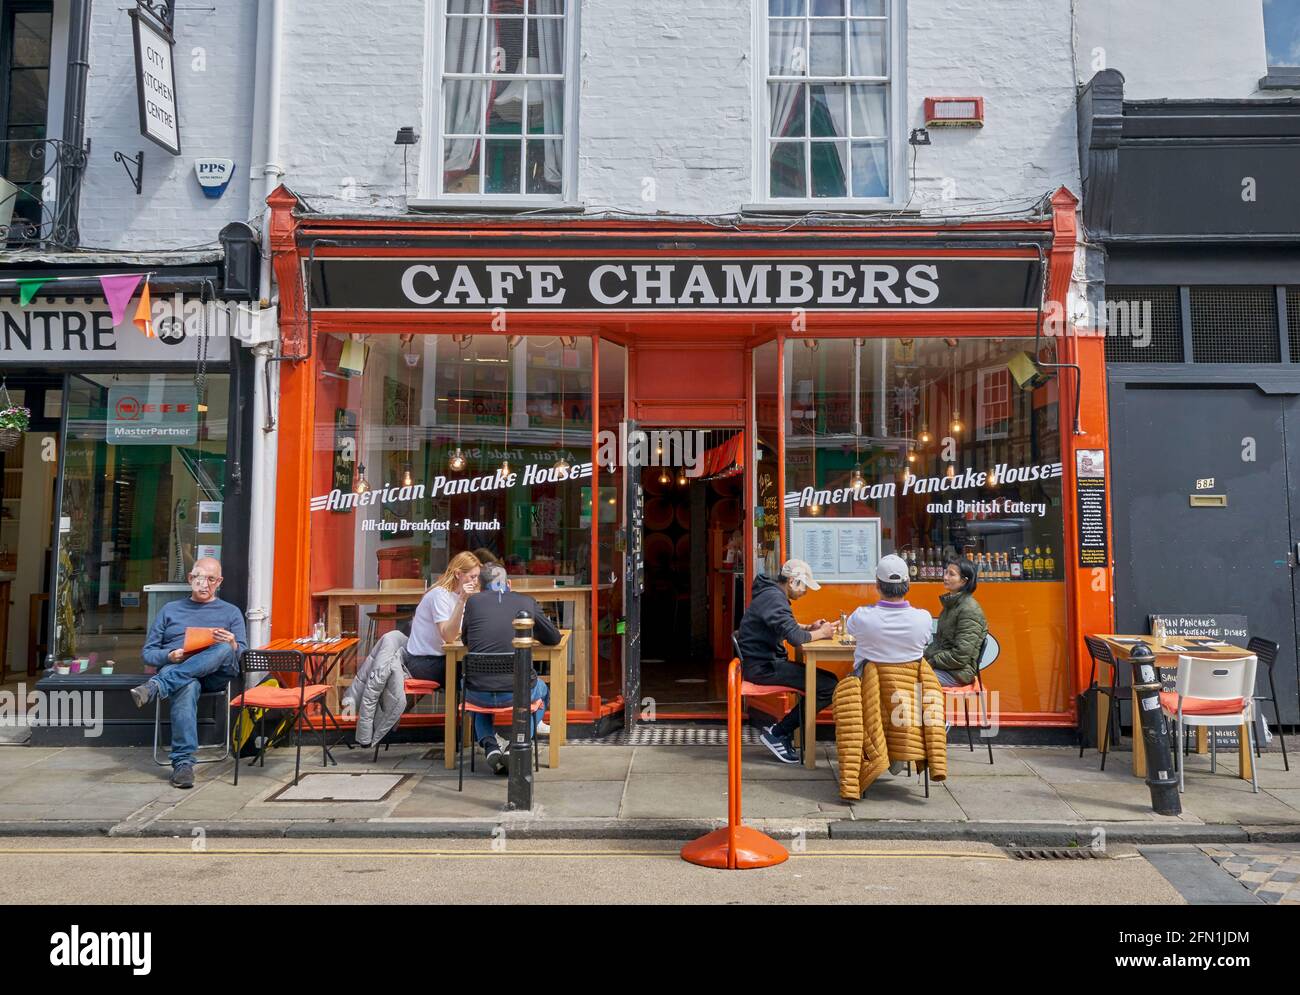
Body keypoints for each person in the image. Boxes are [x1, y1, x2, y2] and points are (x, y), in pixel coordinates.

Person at [130, 557, 247, 789]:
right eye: (200, 578)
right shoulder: (169, 610)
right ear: (190, 579)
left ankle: (157, 686)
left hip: (216, 674)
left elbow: (242, 656)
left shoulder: (231, 612)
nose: (205, 584)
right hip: (181, 669)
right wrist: (170, 655)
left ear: (219, 581)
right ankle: (183, 764)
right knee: (187, 684)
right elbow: (148, 653)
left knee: (223, 648)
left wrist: (234, 645)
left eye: (211, 579)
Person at [461, 562, 561, 775]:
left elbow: (465, 639)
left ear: (480, 585)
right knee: (542, 691)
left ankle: (490, 746)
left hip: (478, 693)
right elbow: (553, 638)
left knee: (471, 688)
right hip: (517, 692)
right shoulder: (525, 601)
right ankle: (516, 744)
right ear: (508, 583)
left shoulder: (473, 603)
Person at [736, 559, 835, 765]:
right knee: (828, 686)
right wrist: (822, 633)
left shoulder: (771, 595)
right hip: (763, 668)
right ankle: (778, 733)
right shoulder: (774, 599)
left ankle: (783, 732)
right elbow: (795, 639)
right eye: (804, 586)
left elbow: (786, 627)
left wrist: (810, 628)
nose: (806, 591)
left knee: (828, 681)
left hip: (764, 662)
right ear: (792, 581)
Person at [845, 553, 934, 774]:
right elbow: (927, 642)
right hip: (909, 695)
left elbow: (849, 630)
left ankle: (878, 752)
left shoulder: (862, 616)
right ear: (908, 584)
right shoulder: (924, 618)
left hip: (867, 694)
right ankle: (898, 749)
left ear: (877, 585)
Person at [404, 551, 481, 686]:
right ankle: (464, 706)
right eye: (472, 577)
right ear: (458, 574)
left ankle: (468, 706)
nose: (476, 582)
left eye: (477, 577)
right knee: (475, 672)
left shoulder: (460, 595)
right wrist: (462, 600)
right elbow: (448, 636)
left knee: (481, 667)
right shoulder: (439, 595)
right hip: (424, 662)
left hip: (443, 657)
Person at [925, 557, 988, 688]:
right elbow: (940, 644)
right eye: (946, 572)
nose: (945, 577)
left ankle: (924, 709)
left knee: (912, 678)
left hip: (957, 673)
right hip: (947, 667)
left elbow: (960, 656)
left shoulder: (969, 610)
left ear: (964, 581)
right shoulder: (952, 605)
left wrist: (932, 661)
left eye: (951, 574)